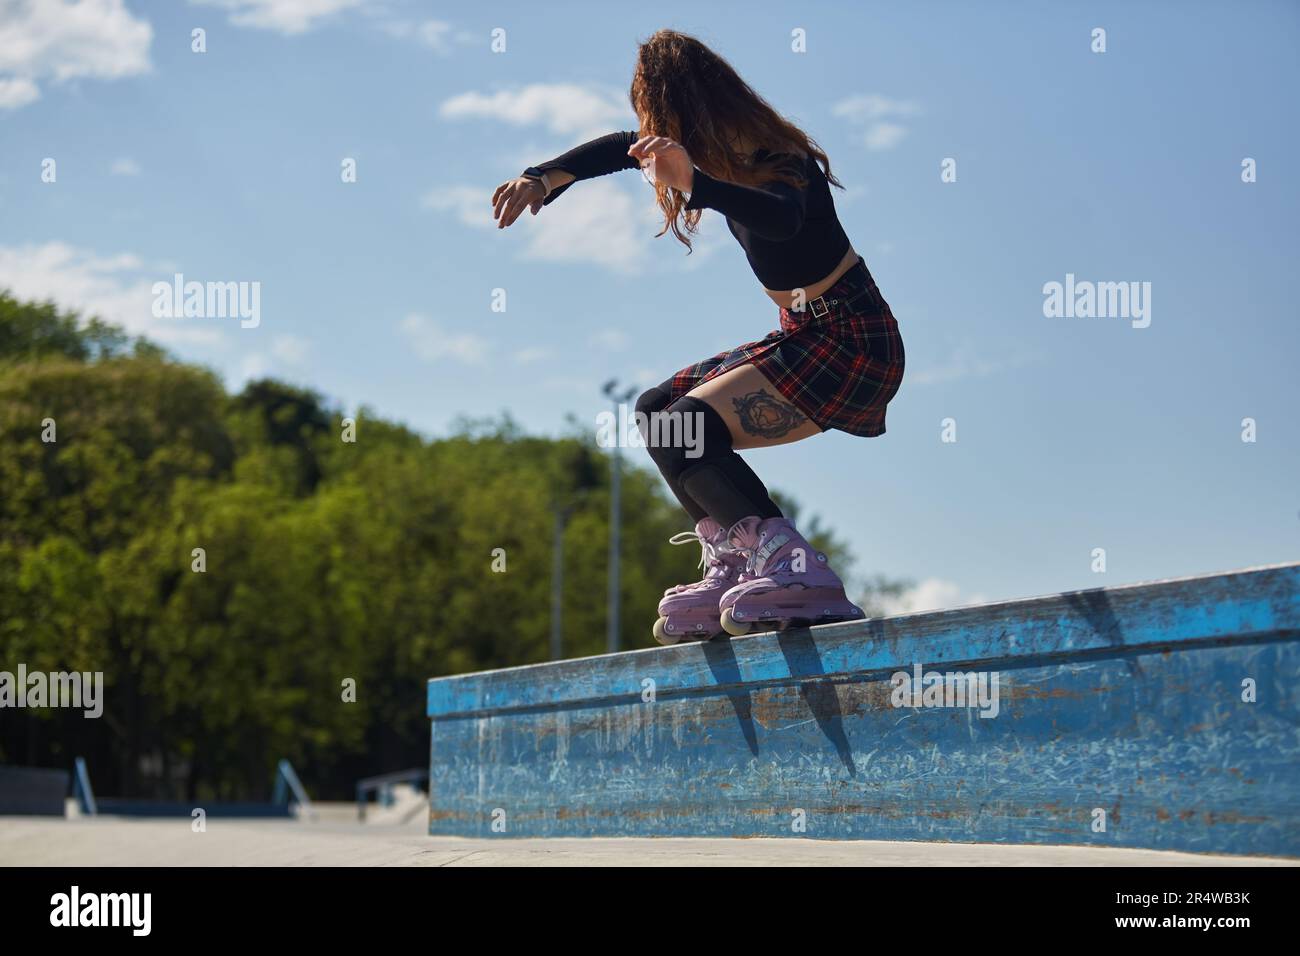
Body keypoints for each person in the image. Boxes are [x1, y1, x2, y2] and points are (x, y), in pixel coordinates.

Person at [492, 30, 904, 644]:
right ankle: (736, 557)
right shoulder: (713, 159)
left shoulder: (778, 160)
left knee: (689, 420)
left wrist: (698, 185)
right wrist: (544, 176)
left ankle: (794, 568)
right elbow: (615, 148)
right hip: (806, 332)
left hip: (853, 339)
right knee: (657, 411)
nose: (658, 149)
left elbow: (785, 219)